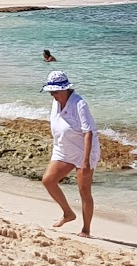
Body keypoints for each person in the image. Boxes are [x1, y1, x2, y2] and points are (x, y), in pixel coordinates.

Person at [39, 70, 99, 237]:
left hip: (83, 151)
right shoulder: (56, 103)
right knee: (48, 180)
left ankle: (86, 230)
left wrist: (86, 162)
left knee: (84, 191)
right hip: (63, 149)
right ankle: (68, 213)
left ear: (65, 89)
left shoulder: (80, 104)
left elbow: (88, 133)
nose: (53, 95)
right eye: (51, 92)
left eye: (56, 92)